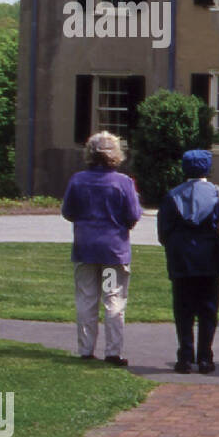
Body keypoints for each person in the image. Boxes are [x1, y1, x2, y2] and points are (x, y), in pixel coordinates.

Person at [61, 131, 142, 366]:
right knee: (113, 299)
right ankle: (113, 351)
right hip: (113, 250)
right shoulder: (123, 183)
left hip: (85, 248)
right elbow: (133, 215)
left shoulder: (77, 180)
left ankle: (85, 349)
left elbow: (68, 212)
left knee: (86, 299)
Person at [156, 148, 219, 374]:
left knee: (183, 309)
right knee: (208, 310)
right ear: (208, 168)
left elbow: (163, 232)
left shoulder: (172, 195)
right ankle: (205, 357)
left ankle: (184, 356)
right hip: (209, 259)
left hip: (181, 259)